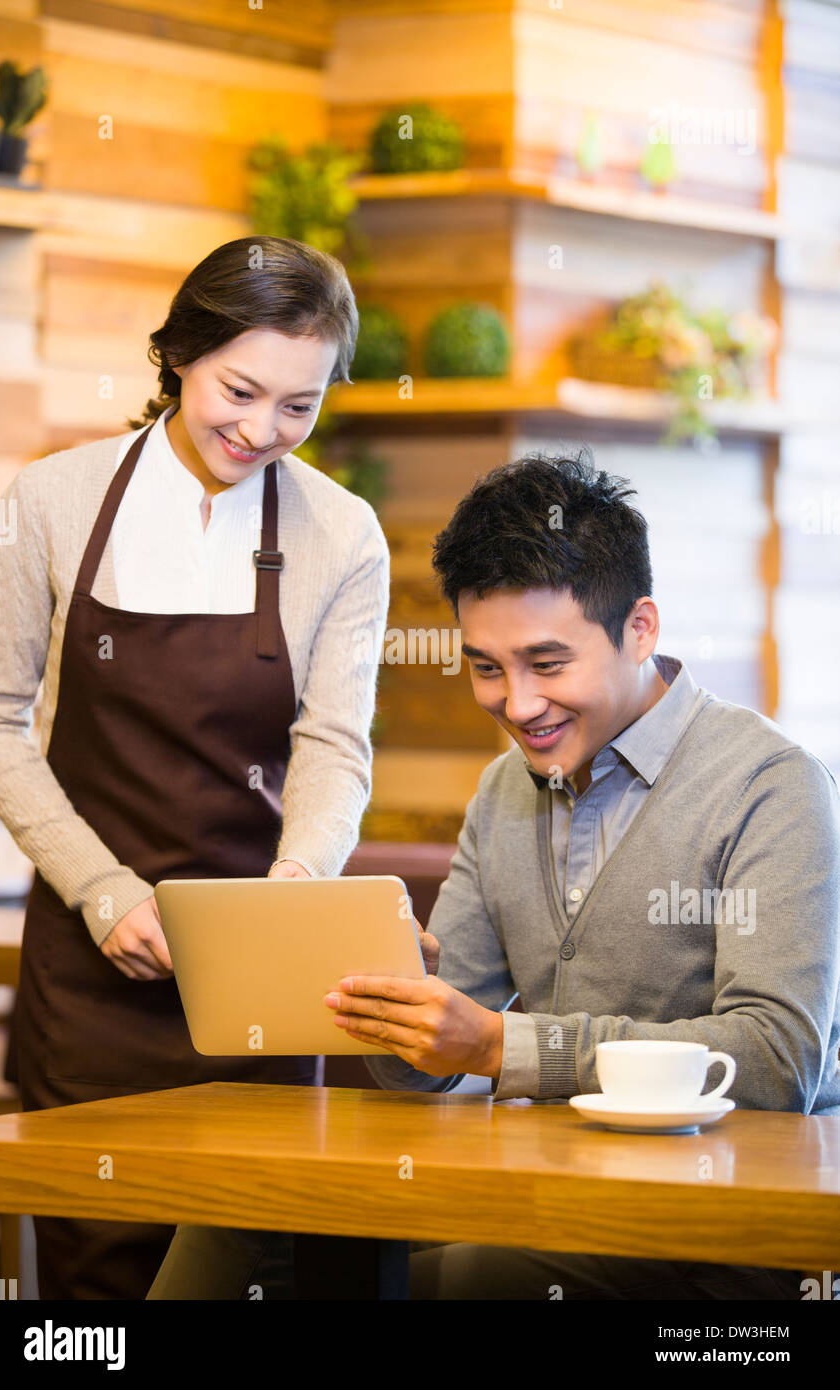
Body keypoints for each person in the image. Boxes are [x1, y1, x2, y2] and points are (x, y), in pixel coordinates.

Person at [146, 449, 840, 1300]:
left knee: (467, 1279)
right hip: (541, 1186)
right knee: (234, 1214)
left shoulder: (771, 785)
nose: (517, 706)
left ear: (641, 628)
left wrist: (500, 1043)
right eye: (486, 668)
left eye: (548, 665)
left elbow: (776, 1062)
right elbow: (422, 1074)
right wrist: (399, 1008)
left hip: (712, 1218)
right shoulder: (505, 787)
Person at [0, 235, 389, 1299]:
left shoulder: (341, 533)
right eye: (238, 389)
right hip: (93, 975)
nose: (260, 431)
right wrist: (104, 890)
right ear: (177, 356)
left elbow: (333, 745)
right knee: (97, 1285)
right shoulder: (54, 501)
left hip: (258, 980)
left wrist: (298, 887)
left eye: (298, 406)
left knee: (246, 1263)